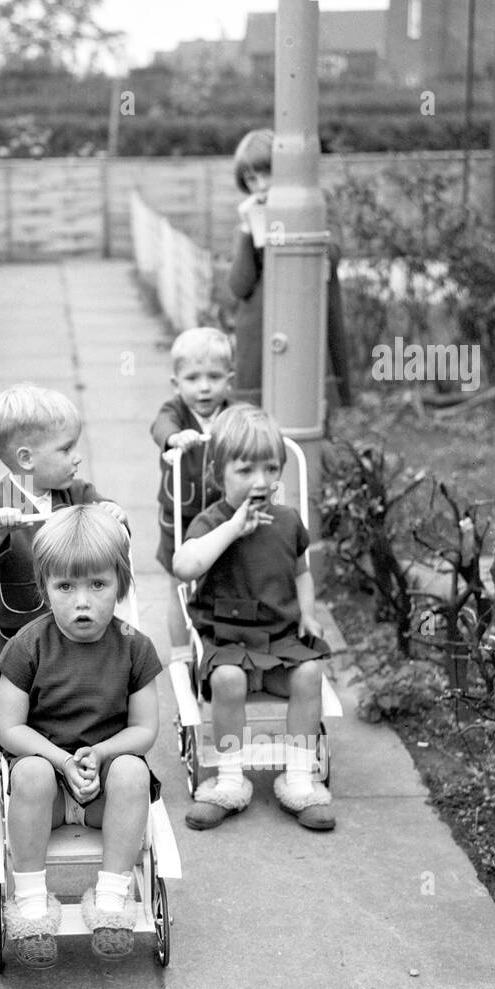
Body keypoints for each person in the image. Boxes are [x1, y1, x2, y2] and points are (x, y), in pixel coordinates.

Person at [0, 506, 163, 967]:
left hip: (106, 791)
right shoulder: (28, 645)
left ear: (121, 585)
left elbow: (145, 730)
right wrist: (60, 760)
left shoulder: (135, 647)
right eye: (65, 586)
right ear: (44, 589)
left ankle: (111, 898)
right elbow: (8, 728)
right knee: (28, 771)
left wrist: (102, 753)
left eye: (97, 585)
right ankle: (30, 902)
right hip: (45, 791)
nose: (82, 601)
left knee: (132, 769)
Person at [173, 404, 335, 833]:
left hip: (279, 639)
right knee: (228, 681)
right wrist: (234, 528)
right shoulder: (211, 522)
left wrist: (308, 614)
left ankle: (299, 778)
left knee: (310, 673)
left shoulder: (286, 521)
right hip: (227, 641)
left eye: (269, 468)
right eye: (245, 470)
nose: (260, 481)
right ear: (218, 475)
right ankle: (229, 779)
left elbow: (301, 572)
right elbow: (185, 566)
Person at [0, 383, 127, 693]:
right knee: (24, 688)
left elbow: (114, 527)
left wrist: (113, 515)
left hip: (78, 620)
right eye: (66, 449)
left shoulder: (78, 493)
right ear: (26, 459)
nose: (76, 458)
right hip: (23, 625)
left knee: (83, 684)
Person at [227, 128, 353, 411]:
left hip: (305, 327)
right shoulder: (246, 226)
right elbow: (238, 286)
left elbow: (331, 258)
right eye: (251, 179)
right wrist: (250, 233)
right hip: (259, 335)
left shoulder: (315, 208)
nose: (260, 186)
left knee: (309, 408)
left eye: (266, 174)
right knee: (259, 421)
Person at [150, 326, 234, 656]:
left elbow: (252, 434)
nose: (204, 387)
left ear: (229, 378)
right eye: (193, 378)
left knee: (223, 579)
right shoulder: (176, 412)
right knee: (178, 584)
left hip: (221, 518)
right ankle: (180, 654)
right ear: (176, 383)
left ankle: (218, 642)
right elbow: (160, 426)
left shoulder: (233, 415)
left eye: (214, 377)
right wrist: (174, 438)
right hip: (180, 518)